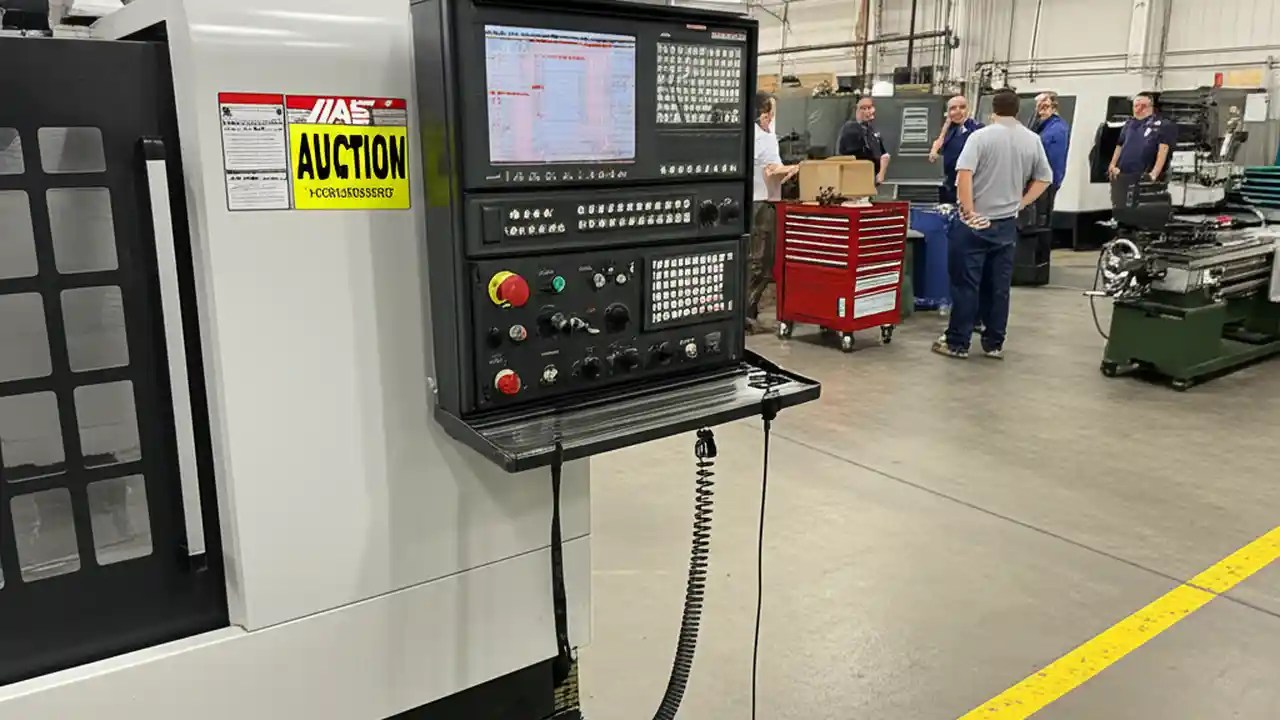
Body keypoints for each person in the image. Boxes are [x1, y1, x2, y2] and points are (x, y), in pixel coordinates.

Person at [933, 89, 1052, 360]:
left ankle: (957, 343)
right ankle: (994, 343)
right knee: (998, 286)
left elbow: (964, 175)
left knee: (966, 284)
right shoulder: (1032, 140)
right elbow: (1045, 178)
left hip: (976, 221)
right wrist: (1020, 203)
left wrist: (968, 211)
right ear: (1018, 110)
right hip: (1006, 223)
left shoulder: (980, 137)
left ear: (993, 110)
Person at [748, 91, 799, 332]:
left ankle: (750, 310)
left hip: (766, 201)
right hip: (760, 205)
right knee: (759, 262)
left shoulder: (764, 136)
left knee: (763, 263)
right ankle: (746, 314)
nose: (772, 117)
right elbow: (770, 169)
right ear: (763, 114)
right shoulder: (759, 138)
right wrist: (791, 169)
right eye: (770, 113)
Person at [1108, 92, 1177, 183]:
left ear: (1151, 107)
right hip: (1122, 175)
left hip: (1143, 177)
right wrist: (1112, 165)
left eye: (1143, 106)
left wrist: (1153, 174)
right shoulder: (1129, 124)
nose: (1138, 109)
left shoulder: (1161, 125)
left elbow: (1163, 149)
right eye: (1136, 106)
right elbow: (1119, 145)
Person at [929, 94, 983, 205]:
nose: (958, 111)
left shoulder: (978, 130)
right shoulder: (950, 130)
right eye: (953, 108)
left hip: (968, 188)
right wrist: (934, 150)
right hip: (949, 185)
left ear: (969, 109)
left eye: (962, 107)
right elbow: (939, 144)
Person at [836, 96, 891, 184]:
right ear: (856, 111)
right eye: (864, 108)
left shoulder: (870, 129)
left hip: (871, 179)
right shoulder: (851, 128)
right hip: (855, 179)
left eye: (870, 107)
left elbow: (883, 154)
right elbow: (855, 156)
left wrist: (881, 172)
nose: (869, 111)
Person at [1033, 92, 1070, 217]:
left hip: (1047, 181)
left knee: (1042, 218)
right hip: (1043, 180)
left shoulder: (1057, 129)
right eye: (1039, 108)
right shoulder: (1043, 127)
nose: (1041, 112)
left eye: (1045, 107)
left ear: (1054, 108)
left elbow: (1053, 158)